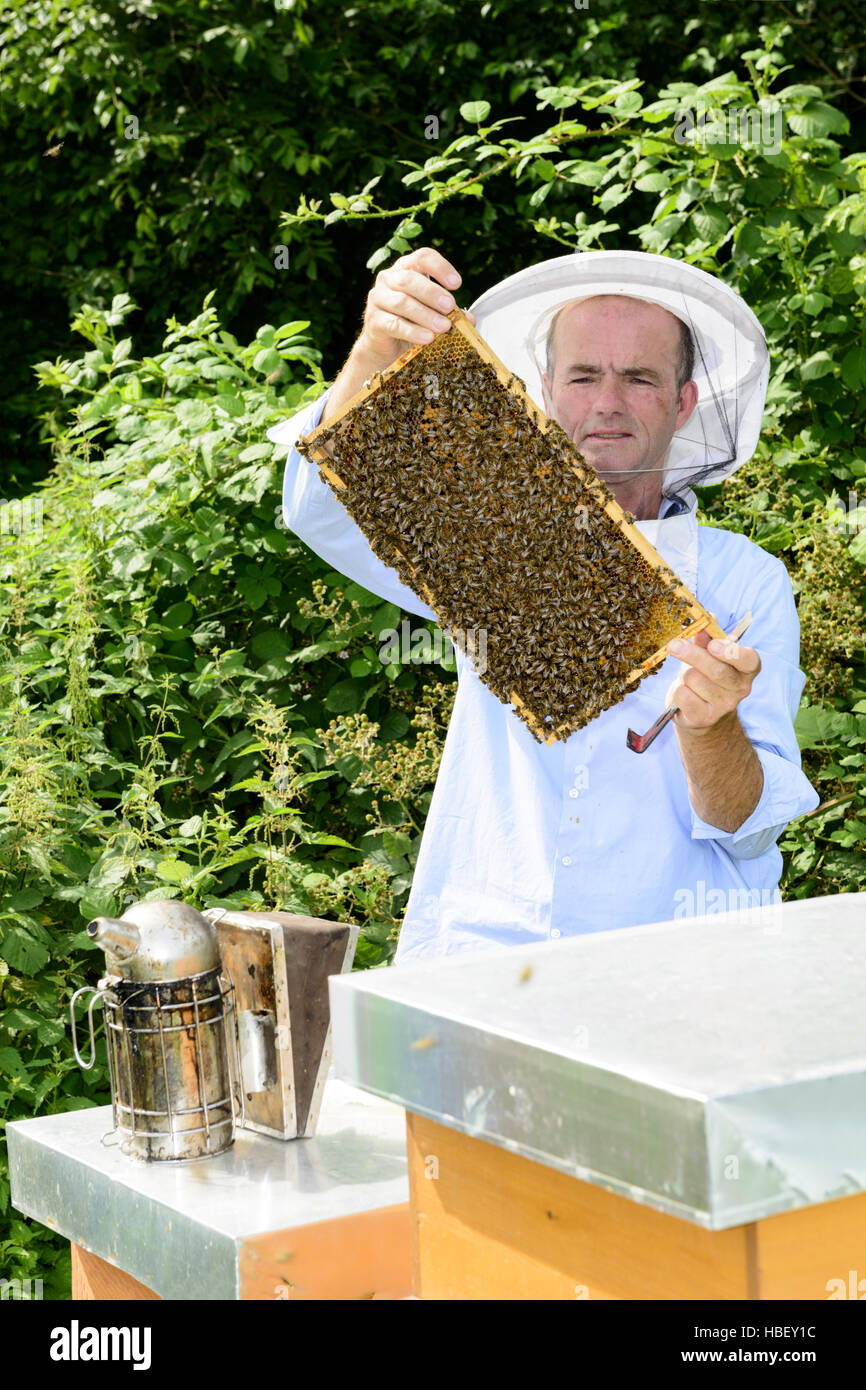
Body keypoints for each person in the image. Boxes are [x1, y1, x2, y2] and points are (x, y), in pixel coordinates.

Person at [267, 247, 819, 963]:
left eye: (639, 378)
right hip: (484, 955)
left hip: (669, 974)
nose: (608, 401)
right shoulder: (489, 535)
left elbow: (746, 827)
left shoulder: (747, 583)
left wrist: (712, 728)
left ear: (684, 402)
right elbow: (321, 505)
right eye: (585, 375)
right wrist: (378, 350)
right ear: (549, 388)